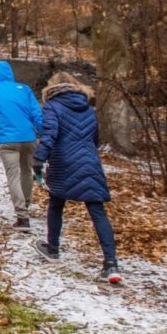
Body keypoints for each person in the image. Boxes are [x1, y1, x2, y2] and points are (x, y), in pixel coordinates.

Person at [31, 72, 122, 283]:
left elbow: (50, 135)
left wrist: (39, 158)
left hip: (63, 162)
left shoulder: (52, 106)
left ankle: (52, 248)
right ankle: (111, 264)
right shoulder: (88, 108)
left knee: (56, 204)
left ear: (52, 87)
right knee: (97, 212)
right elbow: (95, 138)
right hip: (90, 162)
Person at [0, 60, 43, 230]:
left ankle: (22, 217)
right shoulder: (25, 90)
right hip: (29, 137)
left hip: (7, 140)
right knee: (27, 171)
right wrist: (42, 134)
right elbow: (37, 114)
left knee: (13, 175)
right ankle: (26, 205)